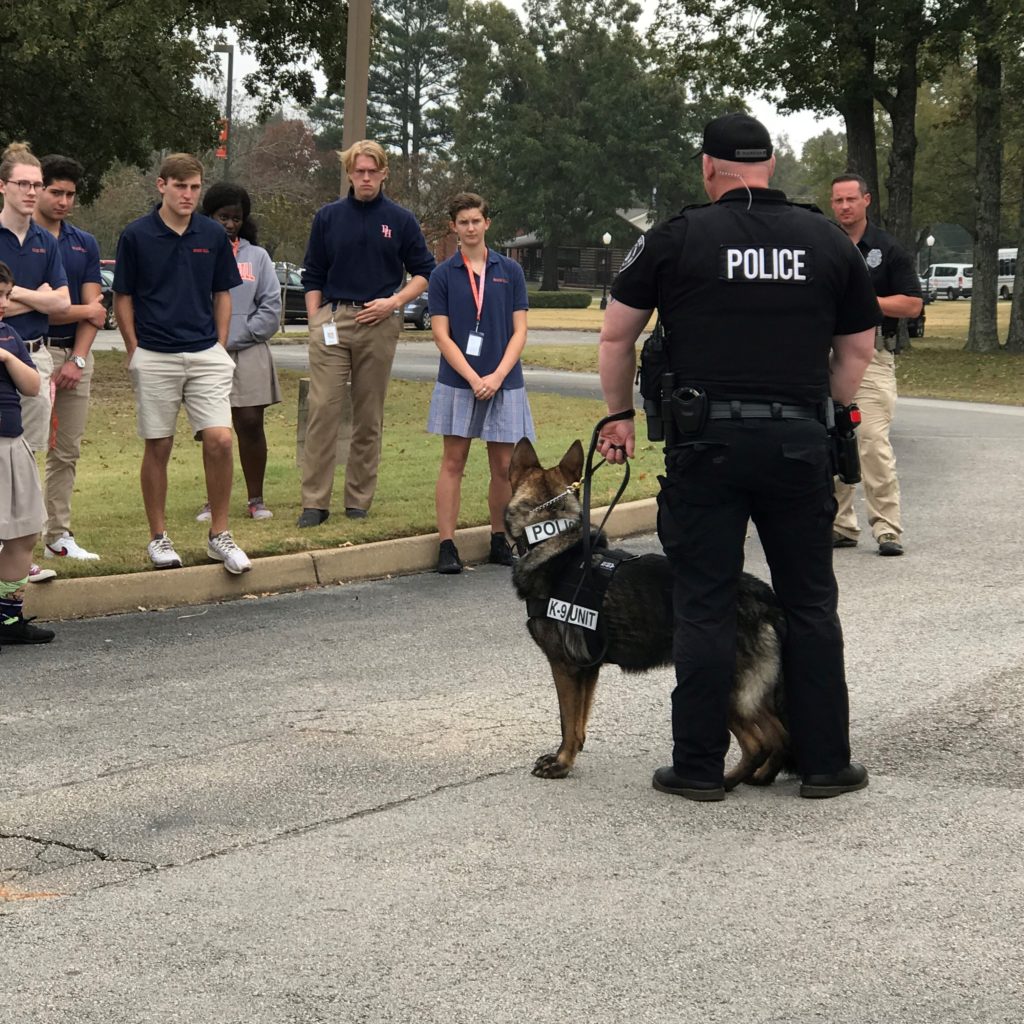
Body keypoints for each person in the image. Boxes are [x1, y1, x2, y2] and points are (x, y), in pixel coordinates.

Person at [596, 113, 880, 802]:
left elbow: (615, 336)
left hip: (707, 447)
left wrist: (619, 415)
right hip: (797, 445)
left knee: (704, 603)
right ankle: (824, 763)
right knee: (811, 604)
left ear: (707, 168)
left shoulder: (677, 237)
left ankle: (696, 767)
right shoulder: (825, 239)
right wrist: (823, 410)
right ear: (772, 164)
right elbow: (859, 350)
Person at [113, 153, 250, 574]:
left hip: (206, 351)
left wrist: (220, 346)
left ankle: (219, 535)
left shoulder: (211, 233)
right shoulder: (136, 235)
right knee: (159, 444)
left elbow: (223, 292)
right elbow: (123, 297)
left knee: (221, 440)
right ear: (162, 186)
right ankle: (159, 538)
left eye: (194, 187)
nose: (188, 195)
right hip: (155, 354)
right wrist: (135, 349)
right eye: (180, 186)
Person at [298, 140, 435, 527]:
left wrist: (394, 303)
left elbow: (424, 271)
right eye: (359, 171)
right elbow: (313, 272)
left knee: (368, 414)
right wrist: (315, 318)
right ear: (349, 174)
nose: (366, 178)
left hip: (379, 321)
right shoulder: (328, 217)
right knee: (323, 410)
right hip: (334, 320)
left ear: (384, 173)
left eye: (372, 171)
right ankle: (315, 502)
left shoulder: (401, 220)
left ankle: (357, 499)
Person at [427, 192, 533, 574]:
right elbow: (441, 335)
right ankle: (447, 545)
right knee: (454, 461)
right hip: (459, 382)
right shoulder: (442, 275)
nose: (470, 228)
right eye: (463, 222)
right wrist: (473, 378)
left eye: (476, 220)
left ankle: (499, 539)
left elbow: (520, 331)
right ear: (453, 227)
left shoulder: (511, 271)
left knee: (504, 466)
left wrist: (497, 375)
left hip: (504, 381)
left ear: (487, 223)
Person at [830, 173, 923, 557]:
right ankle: (839, 525)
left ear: (866, 200)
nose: (845, 207)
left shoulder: (887, 249)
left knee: (869, 441)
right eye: (838, 201)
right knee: (829, 438)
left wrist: (865, 300)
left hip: (873, 357)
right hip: (827, 354)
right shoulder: (824, 243)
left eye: (851, 199)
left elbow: (912, 304)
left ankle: (887, 528)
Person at [0, 143, 71, 586]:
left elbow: (62, 301)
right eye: (23, 183)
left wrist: (14, 293)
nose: (31, 192)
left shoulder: (48, 239)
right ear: (2, 186)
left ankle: (22, 554)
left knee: (29, 454)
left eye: (37, 184)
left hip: (35, 355)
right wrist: (35, 293)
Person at [194, 182, 282, 522]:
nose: (229, 224)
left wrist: (231, 337)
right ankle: (213, 501)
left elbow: (270, 308)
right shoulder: (198, 251)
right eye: (222, 217)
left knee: (249, 422)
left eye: (236, 218)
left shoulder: (257, 257)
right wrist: (211, 338)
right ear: (209, 216)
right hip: (205, 349)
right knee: (213, 428)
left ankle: (255, 499)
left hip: (248, 350)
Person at [34, 155, 107, 566]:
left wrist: (77, 360)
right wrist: (80, 310)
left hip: (74, 356)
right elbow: (36, 310)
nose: (63, 201)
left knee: (65, 452)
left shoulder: (84, 242)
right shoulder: (19, 239)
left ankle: (57, 535)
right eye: (55, 192)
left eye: (70, 195)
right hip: (29, 351)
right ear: (37, 189)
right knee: (19, 449)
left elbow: (94, 308)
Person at [0, 260, 56, 645]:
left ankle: (7, 620)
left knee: (24, 532)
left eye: (6, 295)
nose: (3, 303)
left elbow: (34, 386)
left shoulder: (9, 336)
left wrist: (6, 357)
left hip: (11, 443)